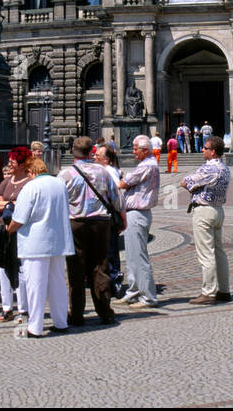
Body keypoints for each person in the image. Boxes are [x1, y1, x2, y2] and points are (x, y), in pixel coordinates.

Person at [59, 135, 123, 326]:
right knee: (100, 266)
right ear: (91, 152)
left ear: (73, 151)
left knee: (75, 269)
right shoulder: (103, 172)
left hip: (75, 223)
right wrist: (122, 217)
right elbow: (116, 198)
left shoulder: (65, 174)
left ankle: (77, 314)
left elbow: (59, 202)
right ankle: (105, 311)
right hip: (100, 223)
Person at [8, 155, 74, 338]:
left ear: (31, 171)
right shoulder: (59, 183)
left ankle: (35, 327)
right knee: (58, 283)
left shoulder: (31, 187)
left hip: (35, 242)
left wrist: (9, 229)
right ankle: (61, 321)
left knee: (35, 285)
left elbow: (20, 218)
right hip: (58, 241)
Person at [182, 135, 232, 304]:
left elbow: (185, 181)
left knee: (206, 254)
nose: (202, 150)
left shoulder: (208, 169)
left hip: (204, 211)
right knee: (219, 252)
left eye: (205, 148)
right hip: (218, 211)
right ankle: (224, 290)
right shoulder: (225, 168)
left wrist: (195, 186)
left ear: (213, 152)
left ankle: (208, 292)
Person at [0, 146, 33, 321]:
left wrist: (5, 203)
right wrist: (9, 204)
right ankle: (7, 308)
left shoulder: (28, 183)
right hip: (2, 231)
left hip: (19, 231)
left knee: (19, 270)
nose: (9, 164)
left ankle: (23, 308)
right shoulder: (6, 182)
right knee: (2, 268)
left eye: (12, 162)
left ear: (22, 165)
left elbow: (22, 205)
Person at [117, 135, 160, 308]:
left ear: (146, 150)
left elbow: (124, 183)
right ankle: (133, 291)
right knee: (132, 256)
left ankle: (148, 297)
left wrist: (119, 178)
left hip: (138, 213)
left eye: (136, 149)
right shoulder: (146, 164)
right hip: (134, 213)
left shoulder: (147, 166)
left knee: (139, 256)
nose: (133, 152)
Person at [93, 144, 125, 296]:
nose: (95, 157)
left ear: (105, 159)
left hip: (108, 217)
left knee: (110, 251)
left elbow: (117, 197)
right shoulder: (102, 170)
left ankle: (114, 282)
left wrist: (123, 218)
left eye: (98, 156)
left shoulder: (110, 172)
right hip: (101, 216)